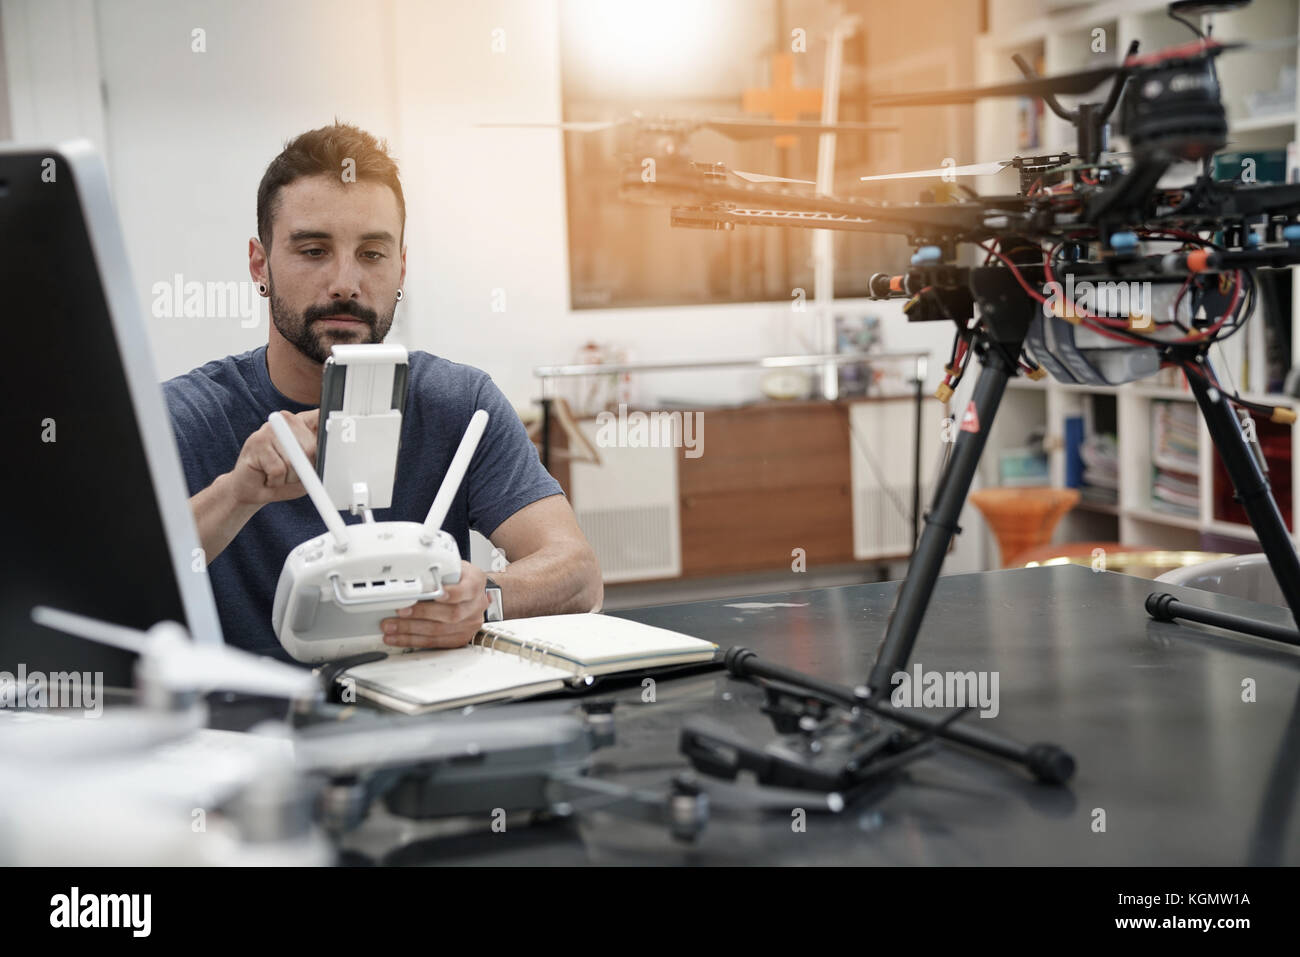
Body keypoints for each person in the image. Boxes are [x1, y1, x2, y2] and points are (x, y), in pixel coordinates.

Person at [164, 122, 602, 661]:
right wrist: (236, 492)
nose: (346, 282)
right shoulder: (186, 417)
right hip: (254, 735)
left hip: (421, 725)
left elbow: (578, 574)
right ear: (260, 264)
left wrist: (483, 600)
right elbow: (110, 582)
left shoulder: (460, 405)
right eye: (313, 251)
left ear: (401, 266)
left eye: (371, 253)